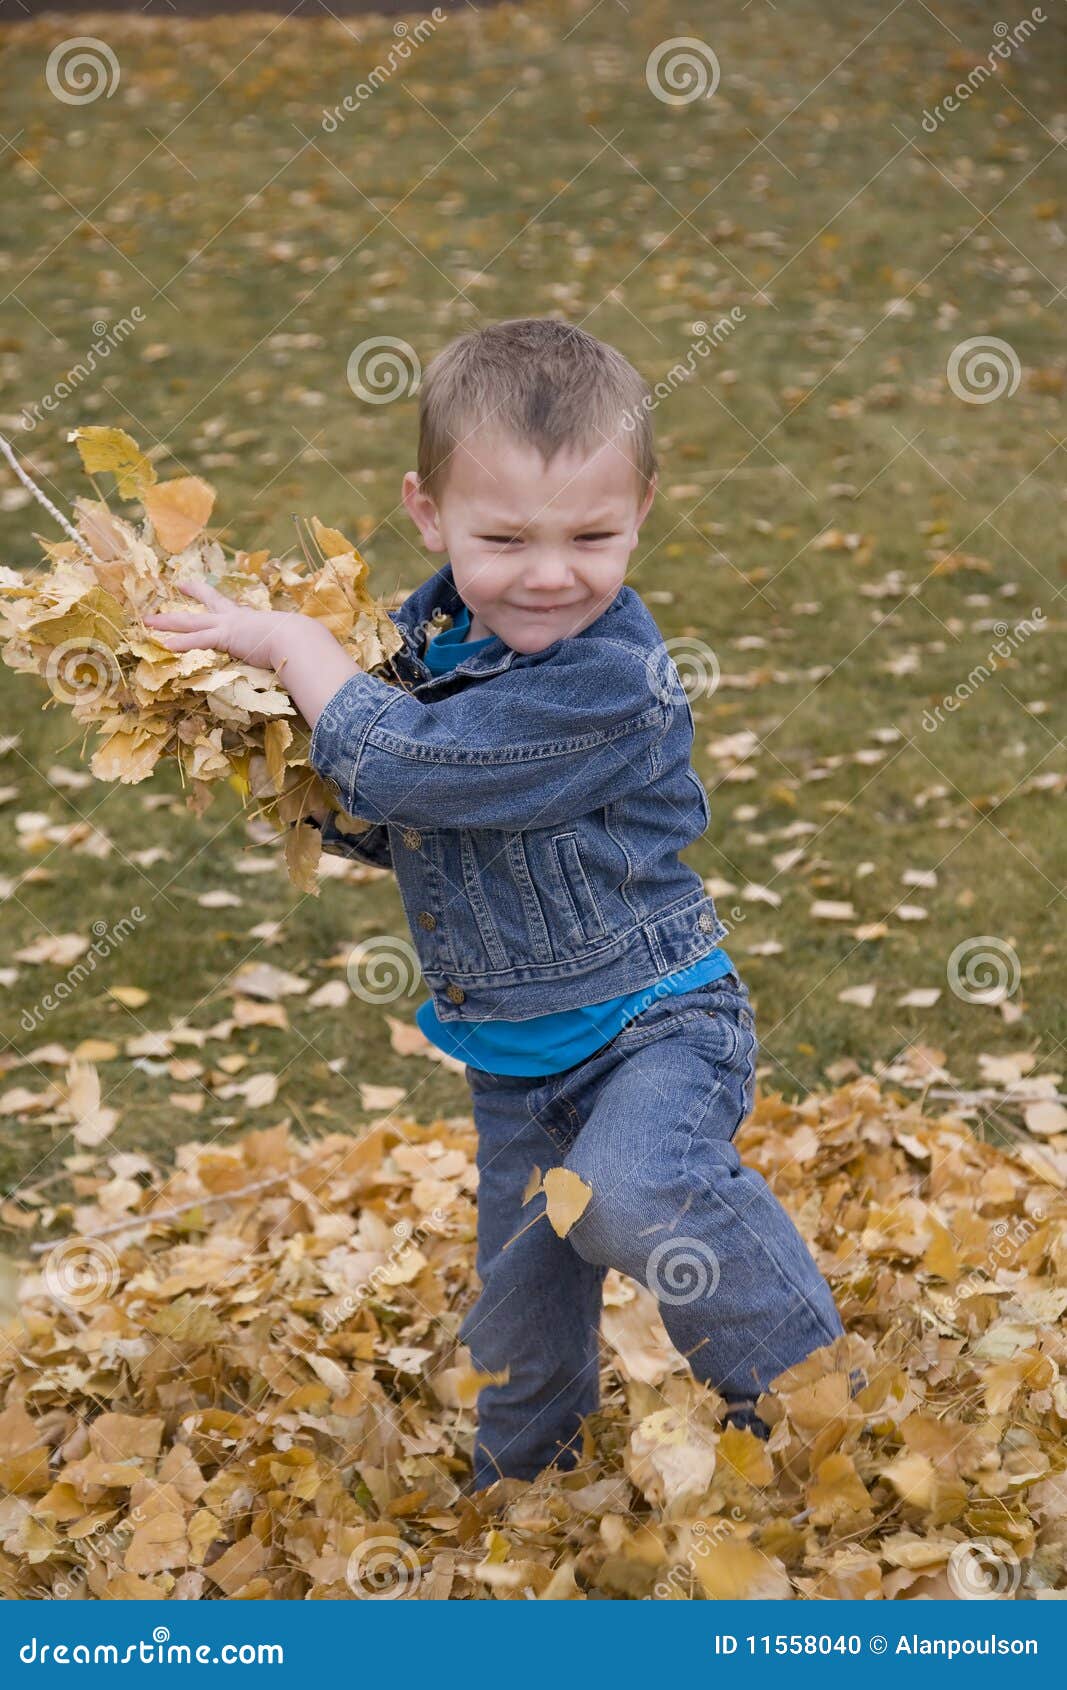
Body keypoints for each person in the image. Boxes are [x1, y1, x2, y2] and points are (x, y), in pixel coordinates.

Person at [144, 317, 847, 1491]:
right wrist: (258, 731)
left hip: (653, 1027)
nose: (548, 572)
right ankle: (524, 1488)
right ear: (428, 515)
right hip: (518, 1062)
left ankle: (812, 1402)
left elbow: (413, 769)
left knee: (629, 1196)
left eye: (591, 535)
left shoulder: (607, 679)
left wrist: (291, 645)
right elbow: (401, 816)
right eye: (503, 536)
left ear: (643, 511)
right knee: (513, 1328)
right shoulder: (432, 644)